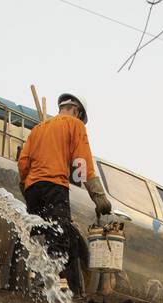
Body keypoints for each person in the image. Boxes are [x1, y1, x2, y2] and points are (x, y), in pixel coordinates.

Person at [16, 92, 112, 292]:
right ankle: (49, 282)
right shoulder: (75, 125)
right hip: (55, 186)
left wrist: (26, 186)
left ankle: (38, 280)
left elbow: (23, 163)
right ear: (77, 111)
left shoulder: (37, 129)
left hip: (33, 188)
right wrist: (98, 197)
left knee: (39, 233)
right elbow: (81, 164)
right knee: (59, 237)